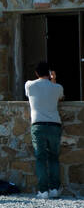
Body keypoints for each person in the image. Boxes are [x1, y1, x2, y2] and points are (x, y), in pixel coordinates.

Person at [25, 61, 65, 198]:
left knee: (40, 158)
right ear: (49, 73)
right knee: (54, 157)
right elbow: (59, 98)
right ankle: (54, 189)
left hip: (38, 125)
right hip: (54, 124)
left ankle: (43, 191)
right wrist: (53, 80)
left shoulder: (30, 85)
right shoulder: (57, 87)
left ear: (36, 73)